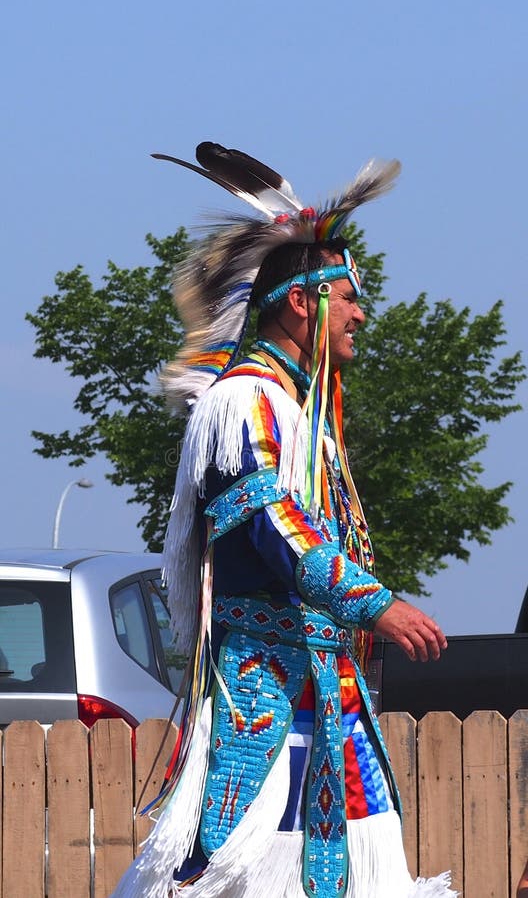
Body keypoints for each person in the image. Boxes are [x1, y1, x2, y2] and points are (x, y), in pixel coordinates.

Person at [111, 142, 456, 897]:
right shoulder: (245, 404)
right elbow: (273, 524)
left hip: (322, 691)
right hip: (263, 697)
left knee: (361, 870)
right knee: (224, 877)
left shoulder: (296, 411)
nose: (361, 313)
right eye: (349, 296)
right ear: (302, 301)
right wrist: (378, 603)